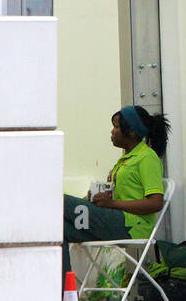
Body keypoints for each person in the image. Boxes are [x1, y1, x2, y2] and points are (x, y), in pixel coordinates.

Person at [62, 104, 169, 275]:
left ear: (132, 132)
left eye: (116, 127)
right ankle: (66, 296)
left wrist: (112, 203)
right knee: (59, 231)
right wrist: (99, 198)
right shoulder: (125, 159)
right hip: (115, 220)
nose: (112, 131)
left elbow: (156, 203)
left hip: (131, 226)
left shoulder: (147, 158)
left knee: (61, 201)